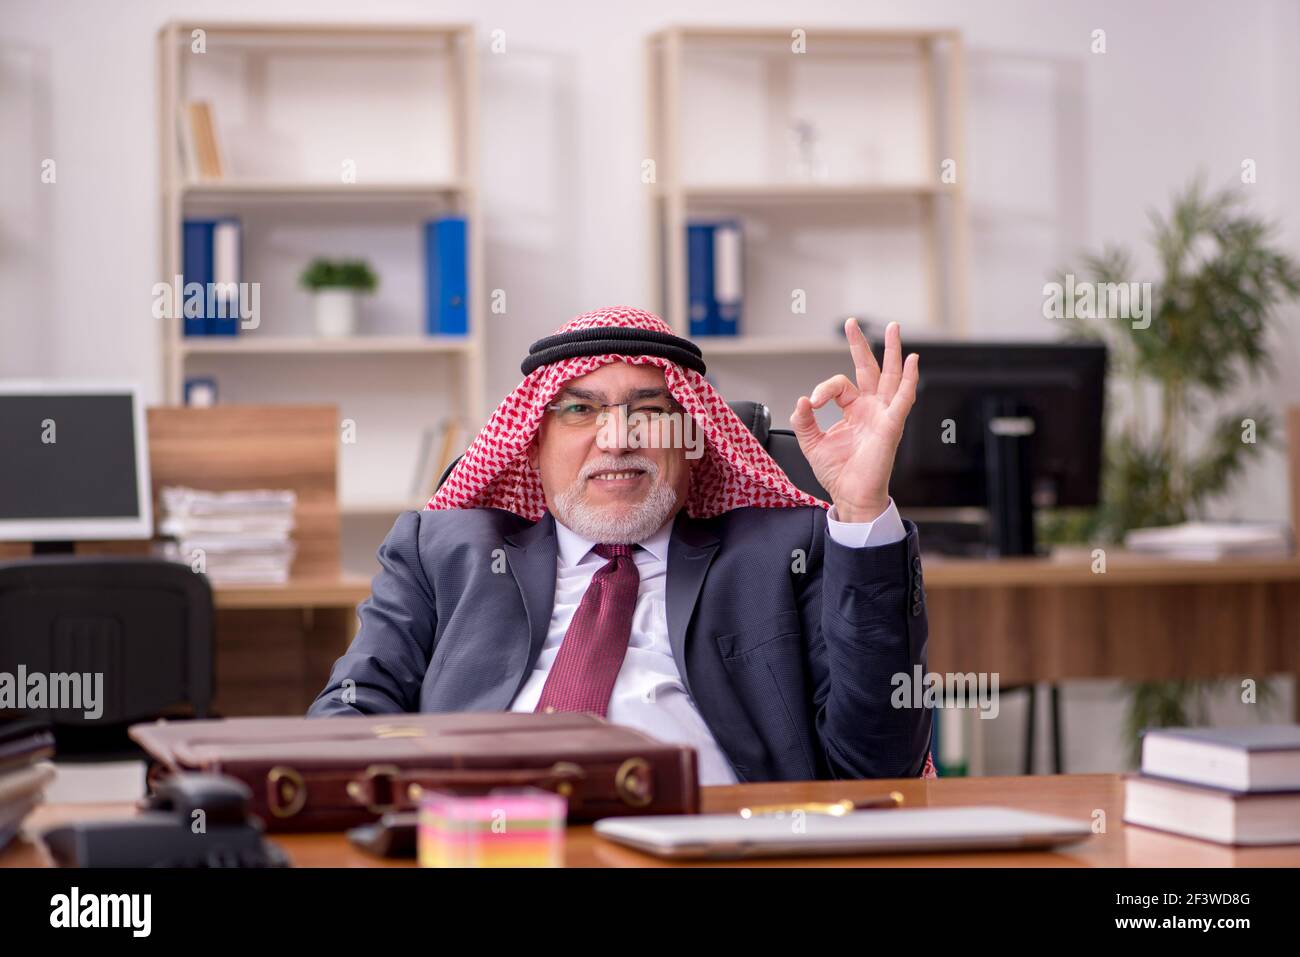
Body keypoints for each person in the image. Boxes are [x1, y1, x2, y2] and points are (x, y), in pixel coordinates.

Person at [309, 305, 935, 784]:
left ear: (695, 439)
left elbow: (876, 767)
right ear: (531, 442)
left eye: (650, 411)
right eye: (579, 411)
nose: (617, 439)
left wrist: (858, 512)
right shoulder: (441, 552)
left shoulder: (787, 552)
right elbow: (349, 713)